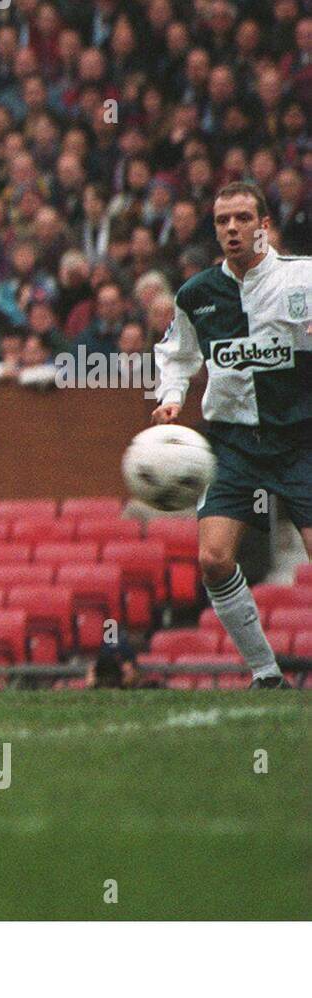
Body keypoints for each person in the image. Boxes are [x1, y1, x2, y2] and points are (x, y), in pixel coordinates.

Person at [153, 181, 312, 688]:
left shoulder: (303, 279)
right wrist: (171, 396)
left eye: (243, 218)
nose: (232, 229)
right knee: (213, 560)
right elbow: (177, 354)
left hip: (301, 439)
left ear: (264, 225)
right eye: (223, 221)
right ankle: (266, 673)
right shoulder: (197, 294)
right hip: (232, 443)